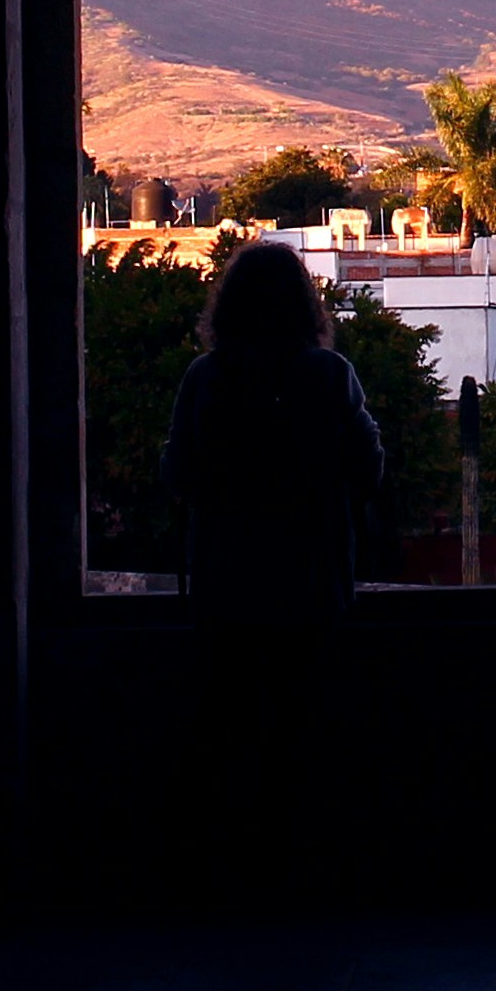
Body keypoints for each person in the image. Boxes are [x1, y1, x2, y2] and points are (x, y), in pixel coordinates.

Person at [160, 236, 386, 891]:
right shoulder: (327, 375)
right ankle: (304, 869)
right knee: (302, 727)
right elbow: (367, 467)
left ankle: (232, 872)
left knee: (228, 731)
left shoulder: (205, 378)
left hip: (225, 583)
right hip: (311, 583)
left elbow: (178, 473)